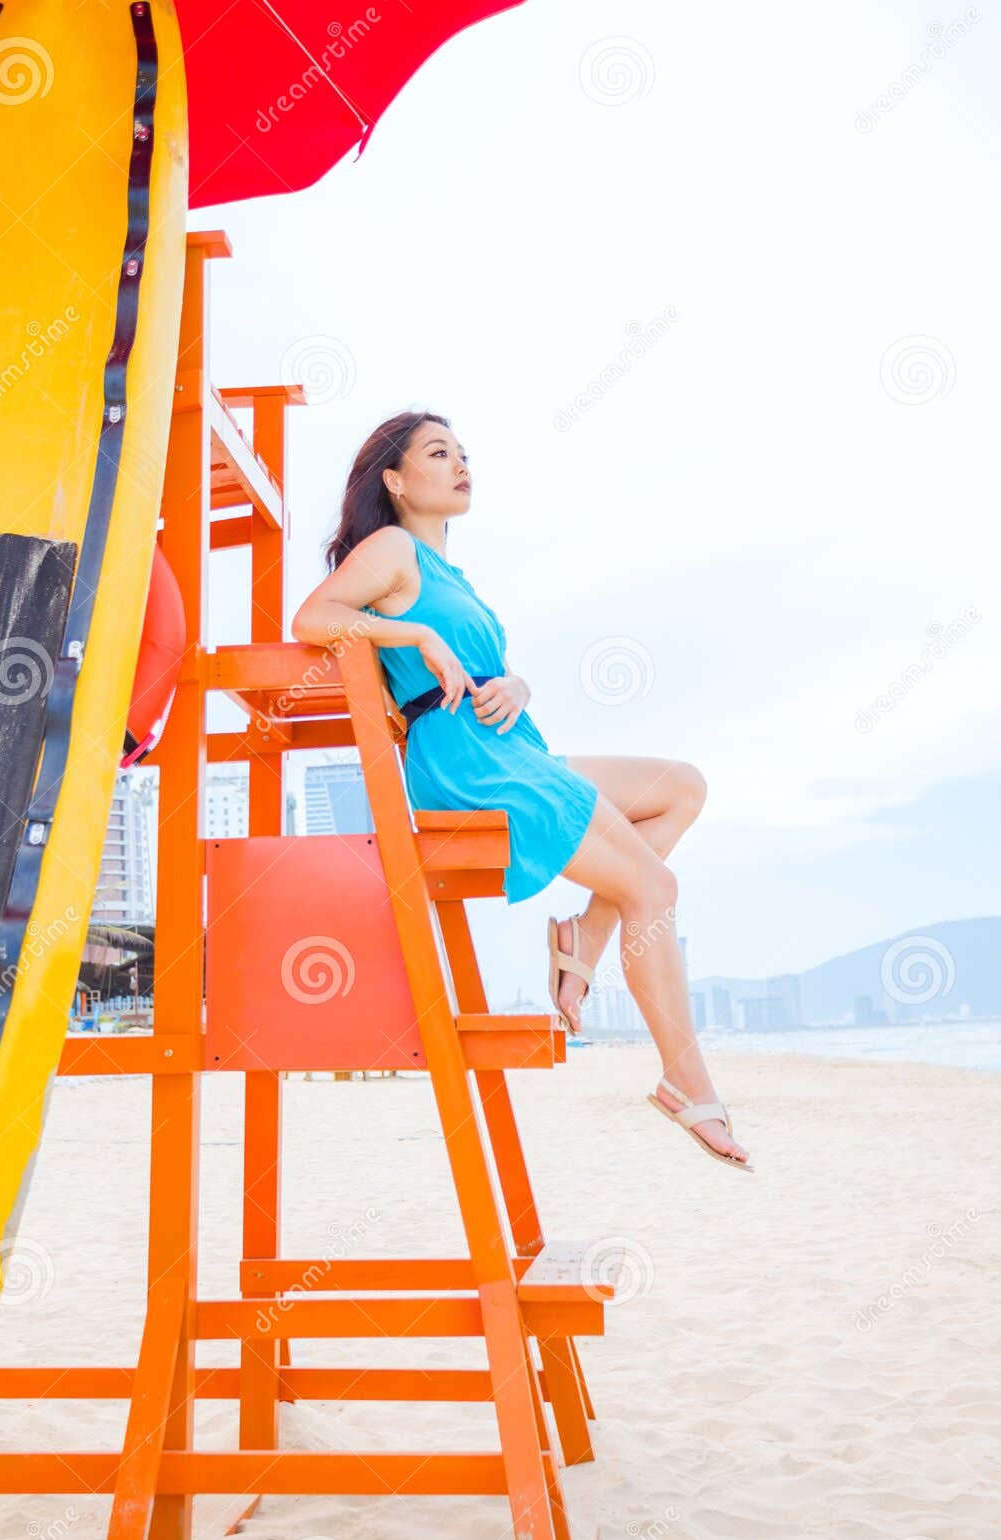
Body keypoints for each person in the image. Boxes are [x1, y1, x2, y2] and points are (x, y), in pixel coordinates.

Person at [290, 410, 751, 1169]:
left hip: (510, 746)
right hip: (468, 766)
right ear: (397, 480)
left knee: (680, 788)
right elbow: (314, 617)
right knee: (652, 886)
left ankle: (584, 941)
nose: (461, 463)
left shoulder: (449, 574)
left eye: (464, 452)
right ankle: (682, 1077)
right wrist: (416, 636)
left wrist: (520, 683)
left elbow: (482, 669)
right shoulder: (392, 547)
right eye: (439, 453)